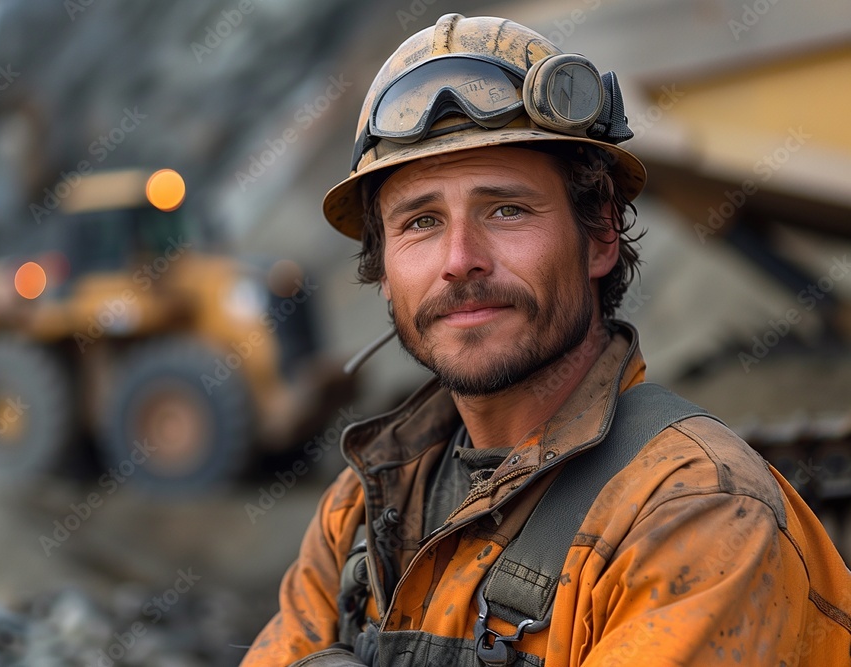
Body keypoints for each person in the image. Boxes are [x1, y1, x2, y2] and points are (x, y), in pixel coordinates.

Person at [240, 13, 851, 667]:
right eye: (420, 221)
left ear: (600, 236)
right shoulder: (361, 509)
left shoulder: (698, 513)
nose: (460, 259)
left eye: (506, 209)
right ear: (384, 274)